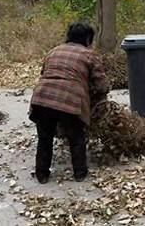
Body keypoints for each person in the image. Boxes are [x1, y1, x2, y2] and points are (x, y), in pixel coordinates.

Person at [29, 22, 109, 184]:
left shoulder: (53, 51)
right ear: (88, 39)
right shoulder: (89, 55)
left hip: (41, 98)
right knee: (76, 137)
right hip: (70, 102)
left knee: (45, 138)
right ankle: (80, 173)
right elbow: (102, 85)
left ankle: (42, 174)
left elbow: (44, 73)